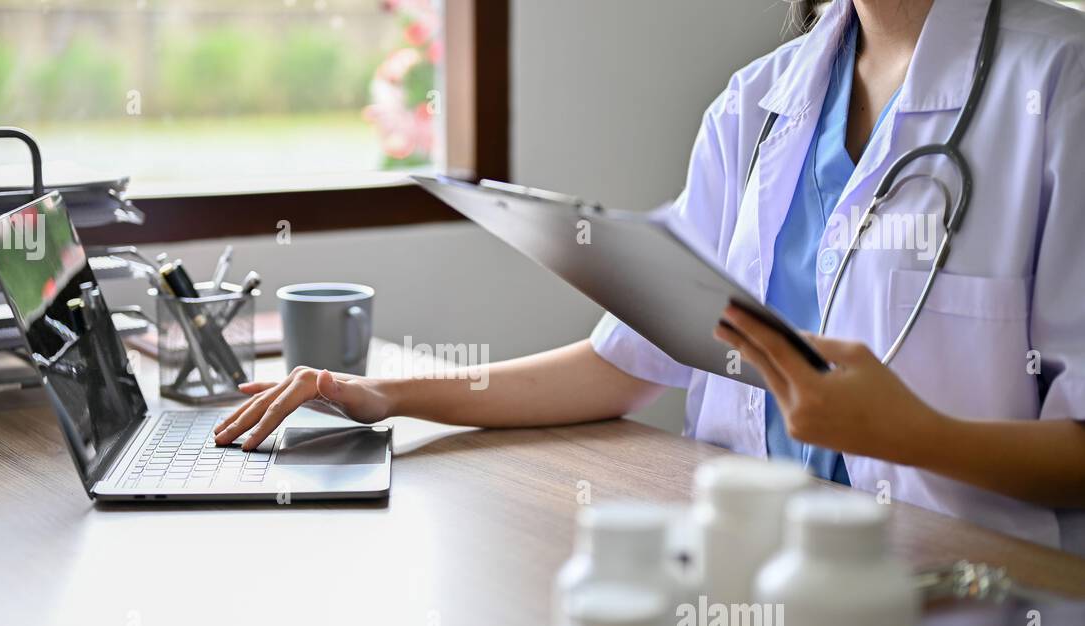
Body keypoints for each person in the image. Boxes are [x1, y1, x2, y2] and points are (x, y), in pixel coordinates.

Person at [216, 0, 1085, 552]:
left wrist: (909, 432)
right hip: (749, 569)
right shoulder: (758, 104)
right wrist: (390, 395)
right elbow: (631, 359)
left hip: (975, 601)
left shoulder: (1063, 86)